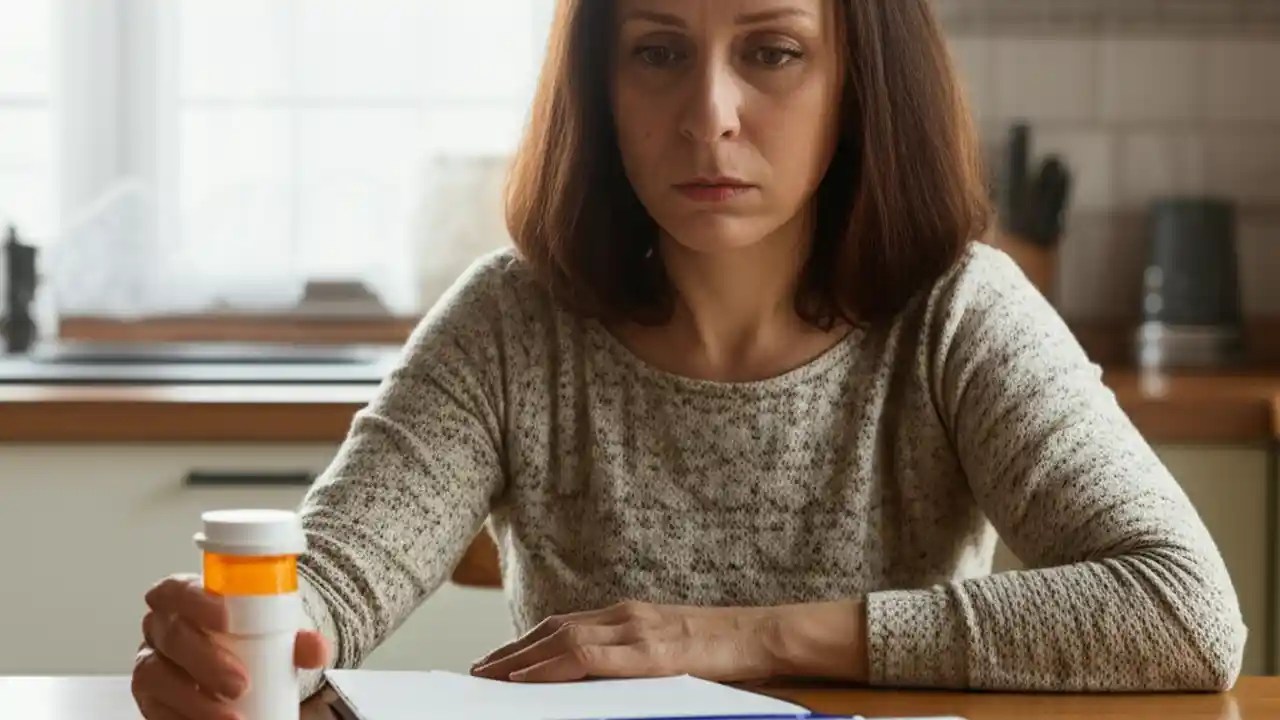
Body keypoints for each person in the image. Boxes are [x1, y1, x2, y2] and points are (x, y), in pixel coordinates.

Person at [131, 0, 1246, 716]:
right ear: (598, 91)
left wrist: (728, 641)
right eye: (658, 53)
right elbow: (330, 584)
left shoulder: (956, 311)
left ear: (858, 80)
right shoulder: (511, 321)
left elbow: (1182, 613)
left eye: (770, 52)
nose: (707, 115)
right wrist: (237, 652)